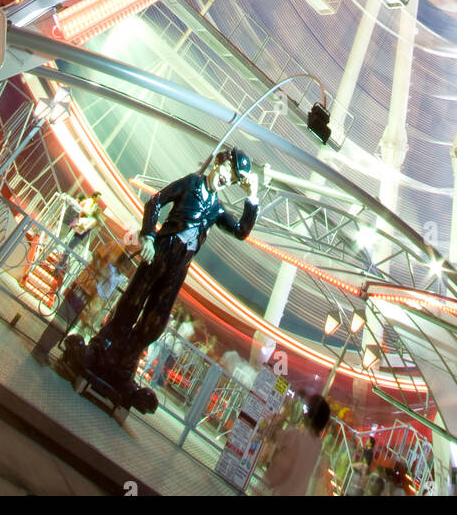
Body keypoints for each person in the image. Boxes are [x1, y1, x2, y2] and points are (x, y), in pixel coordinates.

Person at [72, 147, 259, 397]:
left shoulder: (217, 209)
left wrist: (252, 196)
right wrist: (148, 237)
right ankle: (101, 349)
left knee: (156, 320)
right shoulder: (192, 183)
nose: (227, 179)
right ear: (218, 162)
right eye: (228, 170)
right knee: (132, 302)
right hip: (162, 251)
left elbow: (240, 231)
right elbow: (156, 201)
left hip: (180, 265)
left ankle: (124, 367)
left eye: (234, 179)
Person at [263, 393, 331, 497]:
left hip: (281, 492)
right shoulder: (318, 446)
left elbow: (269, 434)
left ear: (308, 415)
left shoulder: (295, 436)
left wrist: (283, 415)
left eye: (306, 410)